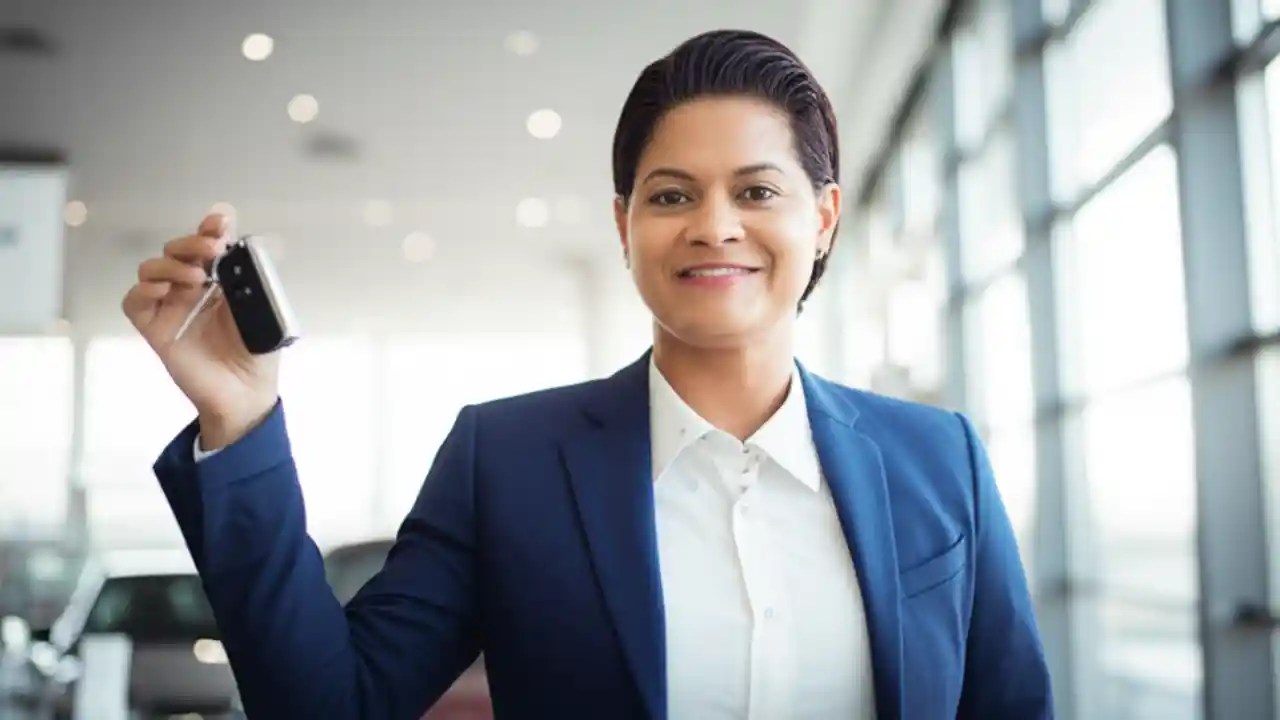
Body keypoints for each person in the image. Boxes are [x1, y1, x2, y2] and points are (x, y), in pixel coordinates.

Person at [121, 29, 1052, 720]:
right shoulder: (509, 461)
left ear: (825, 218)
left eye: (758, 190)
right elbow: (331, 707)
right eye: (672, 194)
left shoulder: (941, 462)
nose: (713, 225)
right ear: (624, 226)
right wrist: (240, 419)